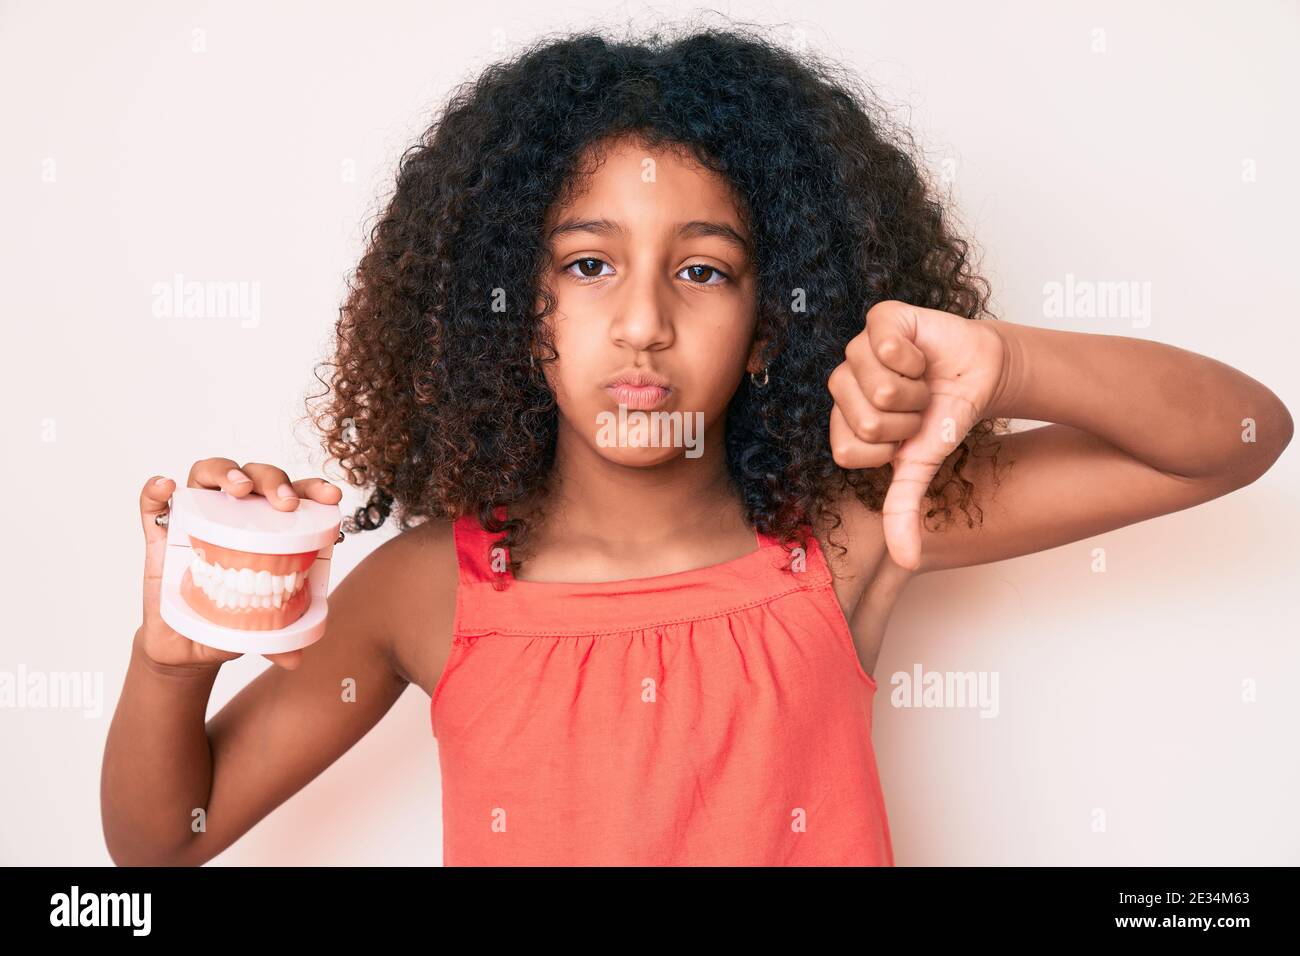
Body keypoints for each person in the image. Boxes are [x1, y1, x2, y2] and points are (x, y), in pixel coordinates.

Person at [102, 26, 1292, 866]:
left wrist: (1009, 363)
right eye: (587, 263)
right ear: (512, 319)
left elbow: (1235, 438)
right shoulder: (427, 588)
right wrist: (176, 656)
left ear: (774, 327)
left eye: (703, 270)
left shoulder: (851, 533)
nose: (641, 321)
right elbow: (166, 838)